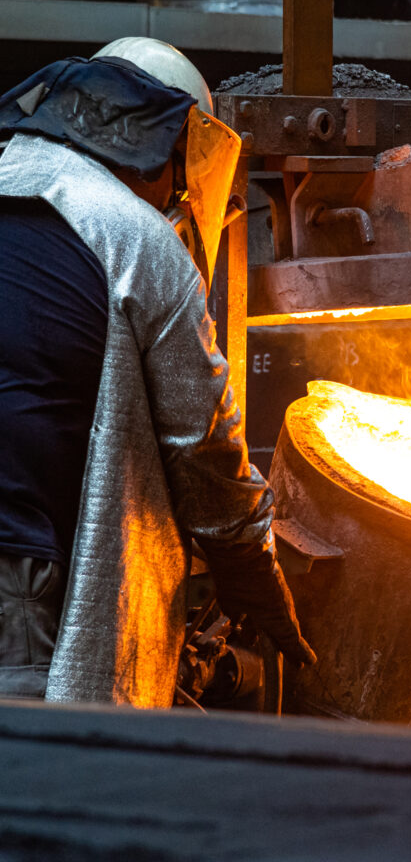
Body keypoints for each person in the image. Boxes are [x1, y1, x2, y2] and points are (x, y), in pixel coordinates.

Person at [0, 37, 314, 705]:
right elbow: (204, 454)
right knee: (40, 786)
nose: (176, 197)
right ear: (166, 151)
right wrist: (255, 580)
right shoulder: (136, 242)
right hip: (23, 583)